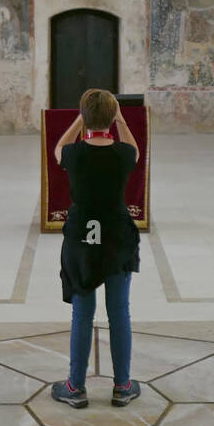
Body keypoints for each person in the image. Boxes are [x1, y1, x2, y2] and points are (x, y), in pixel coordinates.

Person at [51, 89, 141, 409]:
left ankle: (76, 387)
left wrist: (80, 119)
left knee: (82, 314)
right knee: (119, 312)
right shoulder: (122, 154)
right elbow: (134, 148)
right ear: (113, 118)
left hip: (82, 242)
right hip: (117, 238)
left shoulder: (74, 155)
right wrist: (119, 118)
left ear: (86, 119)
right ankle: (123, 386)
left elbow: (58, 147)